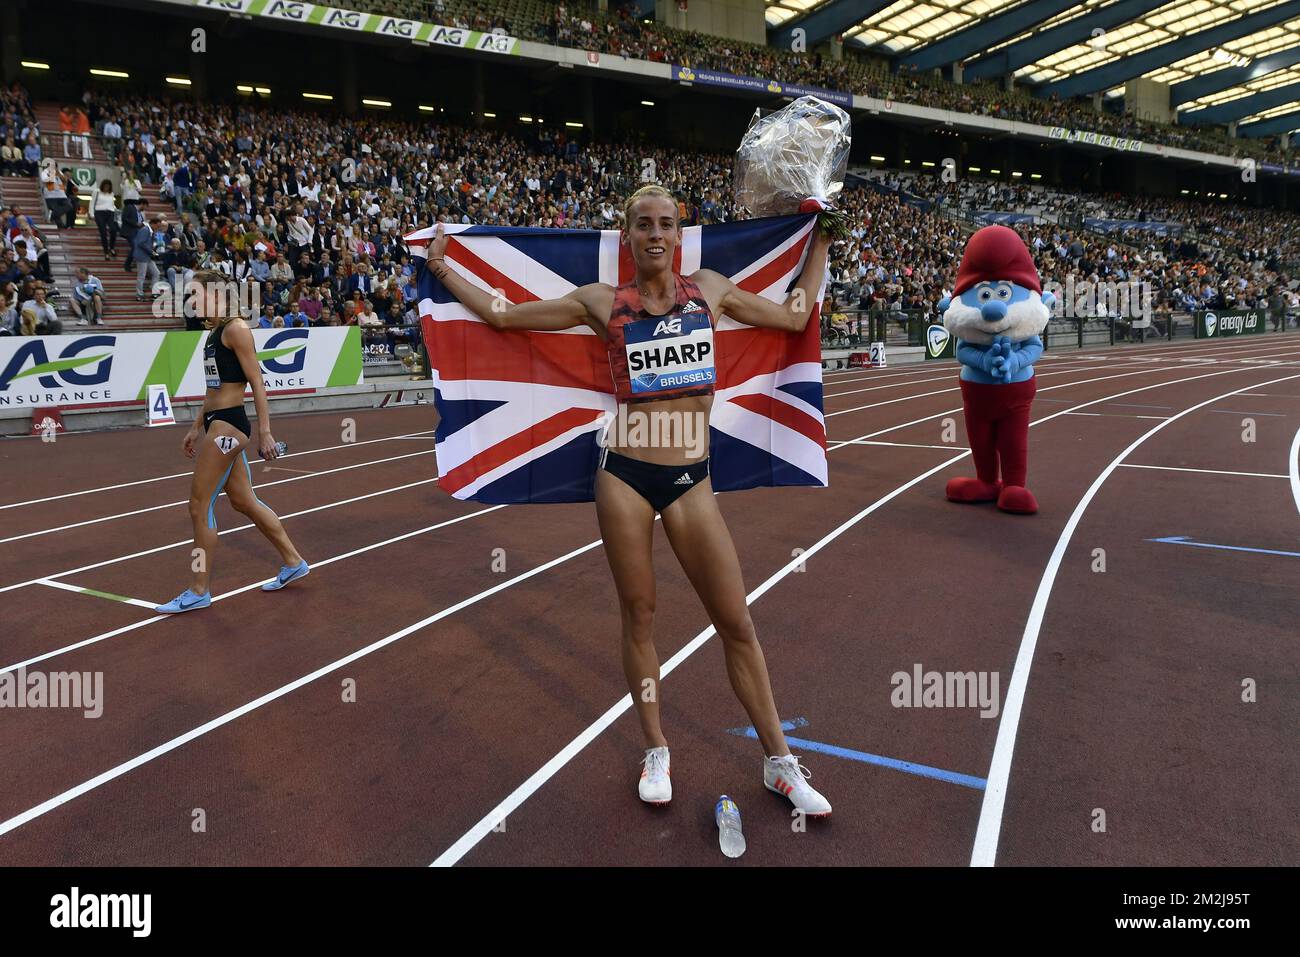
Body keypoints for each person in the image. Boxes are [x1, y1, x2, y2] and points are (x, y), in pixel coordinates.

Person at [424, 185, 834, 815]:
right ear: (626, 237)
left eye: (666, 225)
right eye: (643, 225)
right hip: (624, 475)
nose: (655, 235)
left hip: (692, 479)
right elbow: (504, 316)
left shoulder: (713, 289)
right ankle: (656, 747)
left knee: (737, 622)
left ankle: (780, 763)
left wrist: (822, 240)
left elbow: (795, 315)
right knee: (639, 615)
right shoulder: (600, 303)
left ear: (678, 234)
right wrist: (444, 268)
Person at [156, 270, 309, 614]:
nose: (191, 302)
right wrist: (197, 426)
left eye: (196, 294)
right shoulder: (213, 333)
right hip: (216, 423)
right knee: (243, 501)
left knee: (199, 505)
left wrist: (266, 431)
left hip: (229, 427)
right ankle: (293, 560)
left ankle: (198, 589)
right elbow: (213, 389)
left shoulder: (237, 329)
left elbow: (257, 381)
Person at [91, 179, 119, 259]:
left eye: (108, 186)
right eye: (105, 186)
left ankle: (112, 248)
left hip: (110, 212)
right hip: (99, 213)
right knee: (103, 232)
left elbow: (112, 204)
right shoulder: (97, 191)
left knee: (113, 230)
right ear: (102, 185)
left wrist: (116, 211)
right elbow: (92, 202)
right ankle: (106, 252)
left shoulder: (111, 194)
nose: (107, 187)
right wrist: (92, 214)